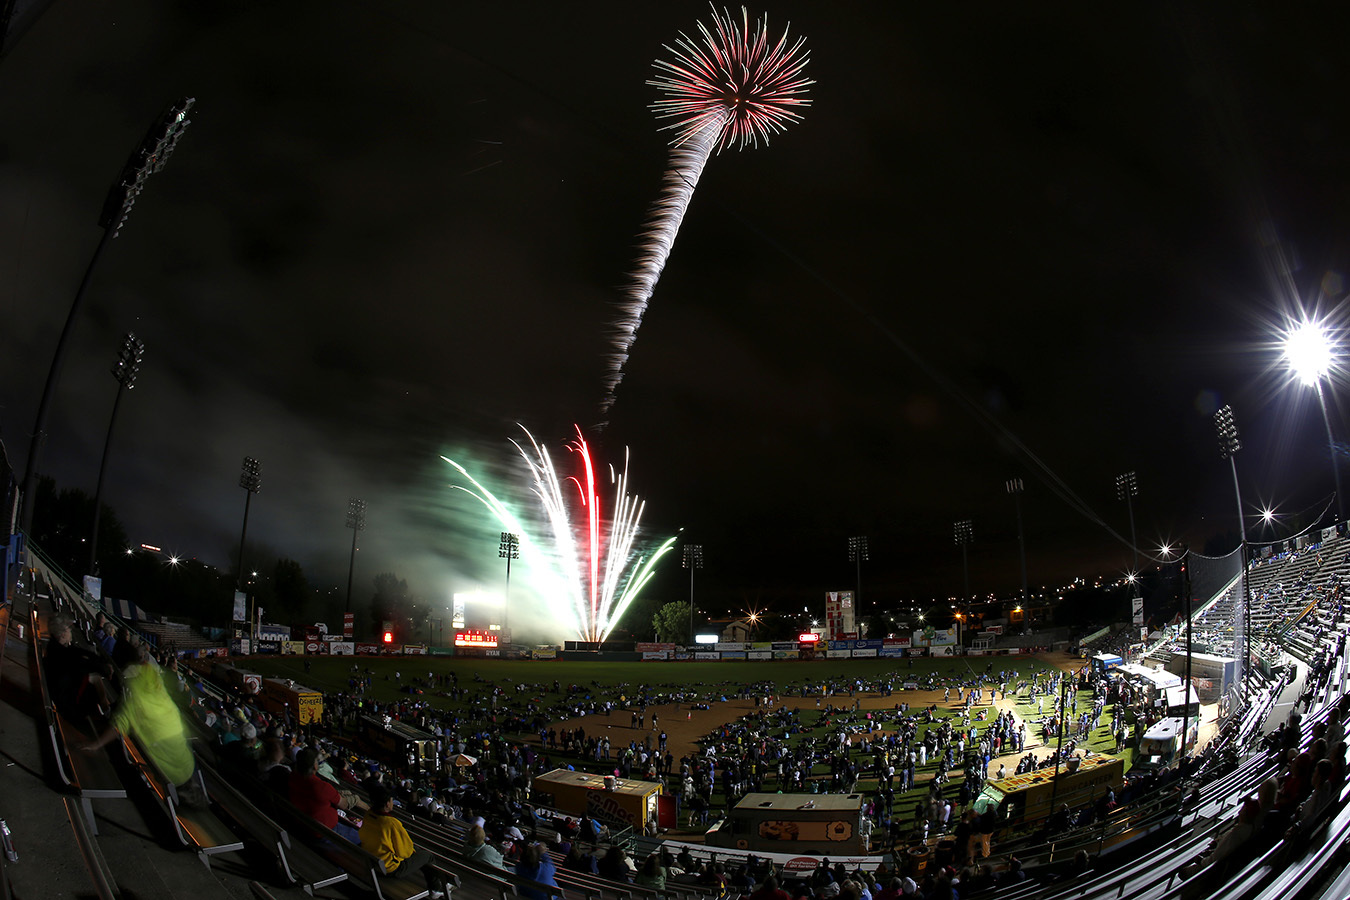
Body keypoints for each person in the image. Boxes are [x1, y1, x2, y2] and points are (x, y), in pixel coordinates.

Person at [82, 645, 206, 806]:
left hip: (171, 762)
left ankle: (185, 795)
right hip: (178, 758)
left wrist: (96, 744)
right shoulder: (152, 679)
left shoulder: (136, 695)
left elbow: (119, 723)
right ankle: (187, 795)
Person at [358, 785, 446, 899]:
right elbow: (406, 852)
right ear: (387, 804)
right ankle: (435, 889)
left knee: (419, 852)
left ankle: (437, 884)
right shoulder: (391, 823)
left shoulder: (369, 815)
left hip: (373, 860)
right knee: (428, 856)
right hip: (391, 869)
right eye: (391, 800)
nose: (392, 803)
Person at [43, 614, 110, 719]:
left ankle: (106, 710)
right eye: (69, 630)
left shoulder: (54, 646)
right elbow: (80, 662)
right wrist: (102, 667)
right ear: (63, 634)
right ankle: (107, 712)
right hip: (65, 701)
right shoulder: (61, 653)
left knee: (94, 678)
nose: (71, 632)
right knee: (95, 680)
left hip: (61, 689)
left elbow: (76, 652)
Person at [289, 747, 360, 843]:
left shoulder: (292, 777)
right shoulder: (321, 787)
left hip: (304, 825)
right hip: (325, 833)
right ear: (314, 766)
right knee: (363, 838)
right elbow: (343, 805)